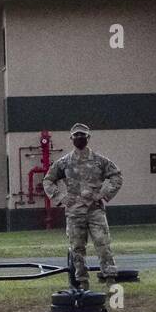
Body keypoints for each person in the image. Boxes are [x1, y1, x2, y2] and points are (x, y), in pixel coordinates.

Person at [43, 124, 123, 289]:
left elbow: (116, 176)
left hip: (95, 210)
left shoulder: (100, 161)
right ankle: (82, 282)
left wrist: (103, 194)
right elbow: (48, 180)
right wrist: (61, 197)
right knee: (77, 249)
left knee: (103, 245)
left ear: (88, 138)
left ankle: (110, 280)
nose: (80, 138)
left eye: (83, 136)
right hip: (74, 213)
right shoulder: (64, 162)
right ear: (71, 139)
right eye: (76, 136)